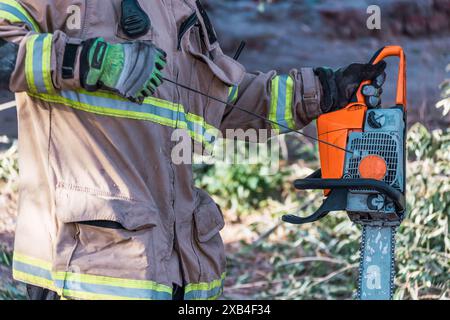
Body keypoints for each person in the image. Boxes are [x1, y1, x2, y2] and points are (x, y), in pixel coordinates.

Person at [0, 0, 385, 300]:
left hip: (180, 274)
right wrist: (88, 62)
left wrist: (322, 93)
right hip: (87, 275)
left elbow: (221, 103)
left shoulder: (181, 10)